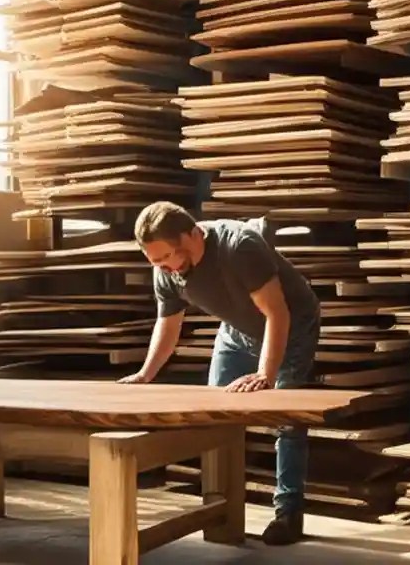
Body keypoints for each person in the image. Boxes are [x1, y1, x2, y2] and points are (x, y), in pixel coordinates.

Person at [117, 201, 321, 546]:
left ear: (192, 234)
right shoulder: (164, 270)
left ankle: (288, 514)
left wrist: (266, 374)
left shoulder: (240, 246)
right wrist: (144, 375)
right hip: (236, 330)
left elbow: (277, 314)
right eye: (154, 261)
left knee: (286, 421)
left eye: (166, 257)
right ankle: (221, 510)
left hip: (292, 325)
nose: (163, 267)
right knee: (214, 417)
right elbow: (167, 326)